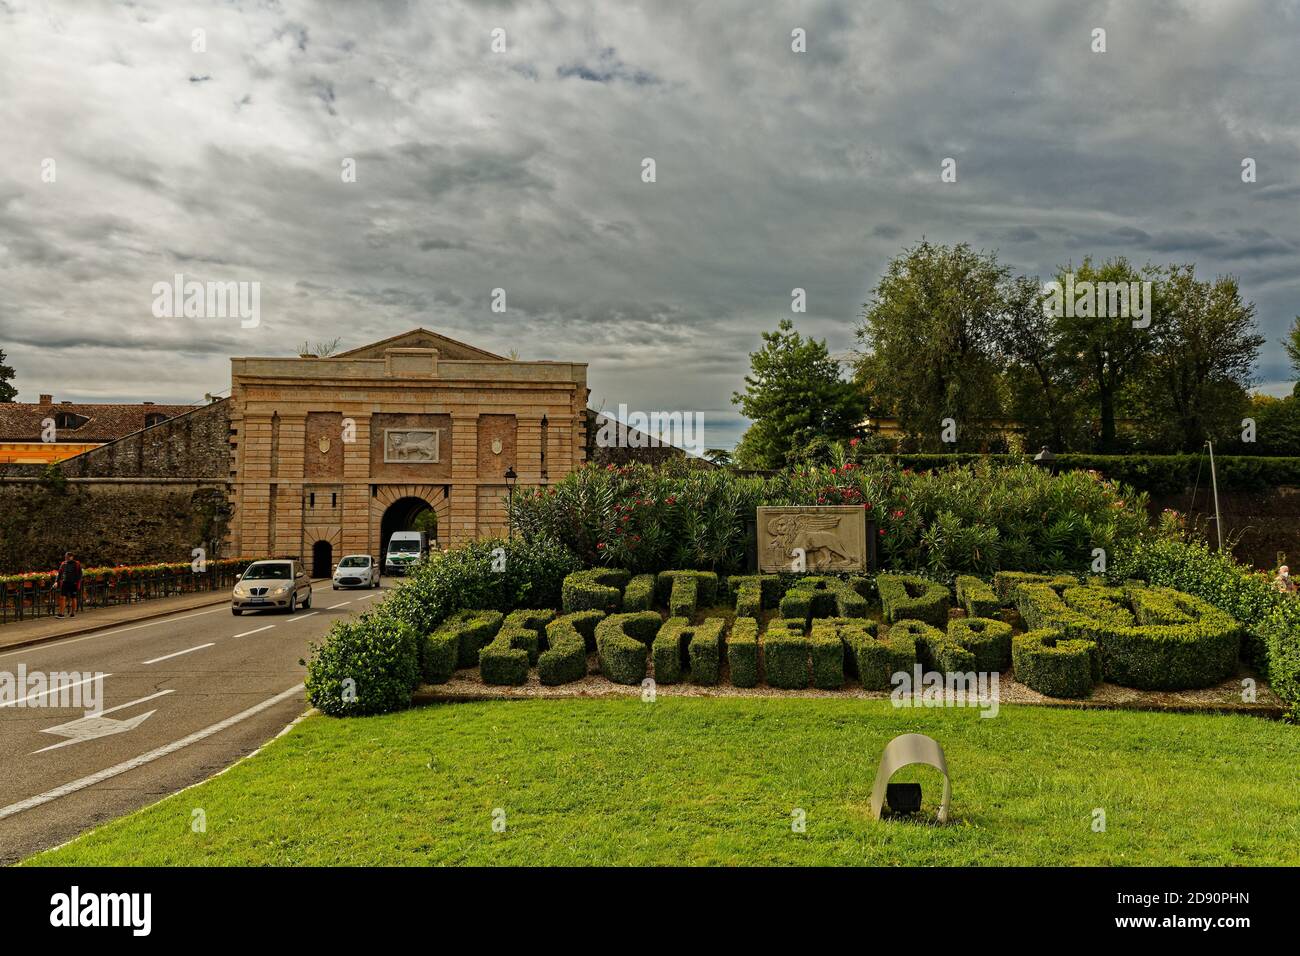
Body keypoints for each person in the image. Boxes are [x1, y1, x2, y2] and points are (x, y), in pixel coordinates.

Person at [56, 552, 82, 618]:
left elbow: (80, 574)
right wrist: (56, 582)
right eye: (65, 557)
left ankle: (73, 613)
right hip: (65, 582)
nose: (66, 558)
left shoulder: (77, 564)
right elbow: (59, 573)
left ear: (71, 557)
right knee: (62, 597)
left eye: (67, 557)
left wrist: (77, 583)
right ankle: (61, 614)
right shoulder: (63, 564)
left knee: (73, 598)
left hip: (73, 583)